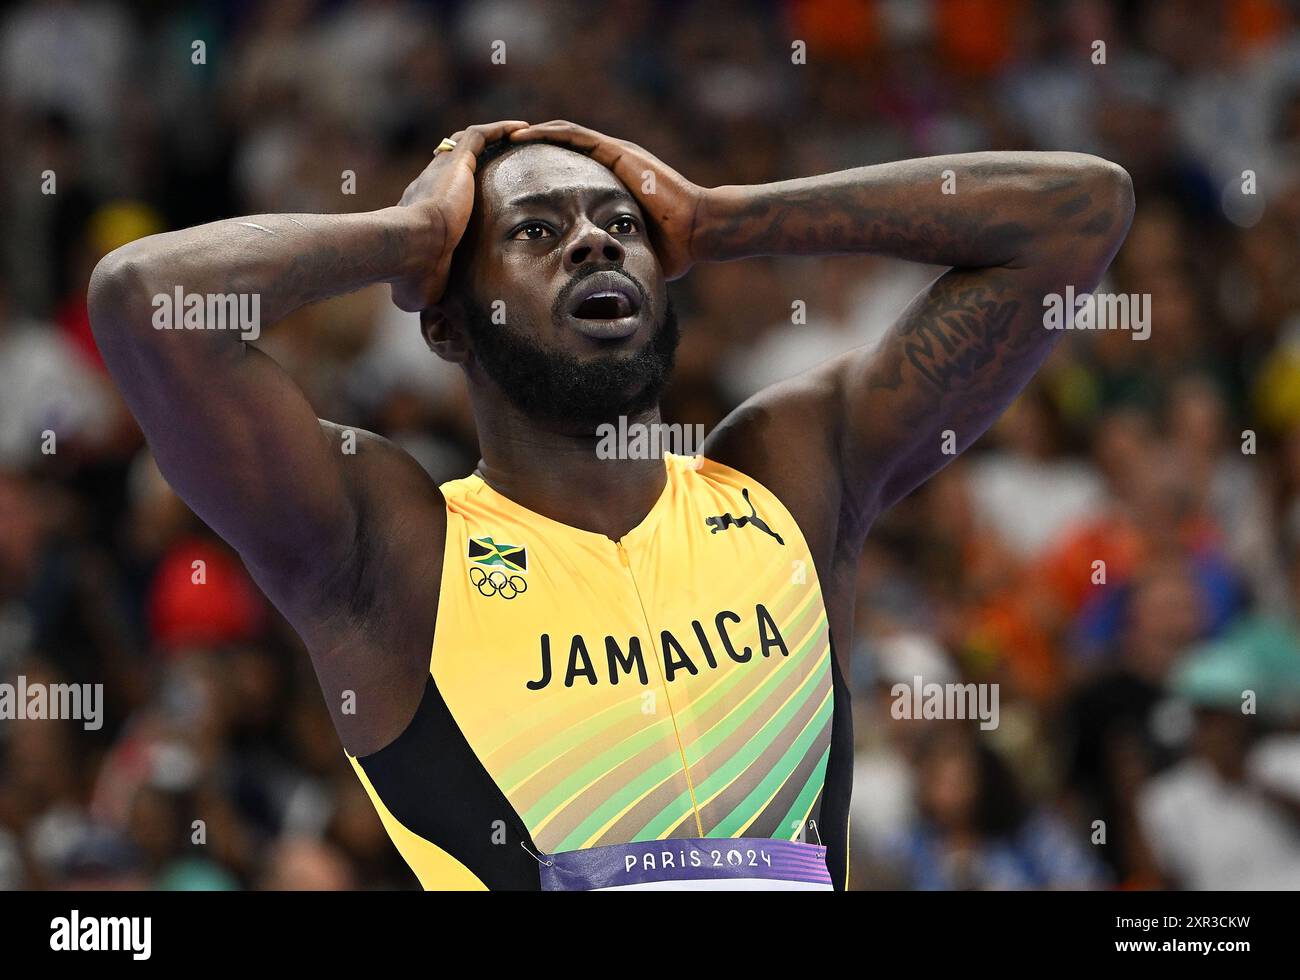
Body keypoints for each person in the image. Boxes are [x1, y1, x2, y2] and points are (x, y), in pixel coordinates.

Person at [86, 119, 1133, 890]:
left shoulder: (788, 476)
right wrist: (413, 236)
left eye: (620, 223)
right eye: (533, 232)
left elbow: (1078, 209)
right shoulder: (394, 552)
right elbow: (145, 303)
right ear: (448, 326)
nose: (592, 242)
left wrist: (722, 218)